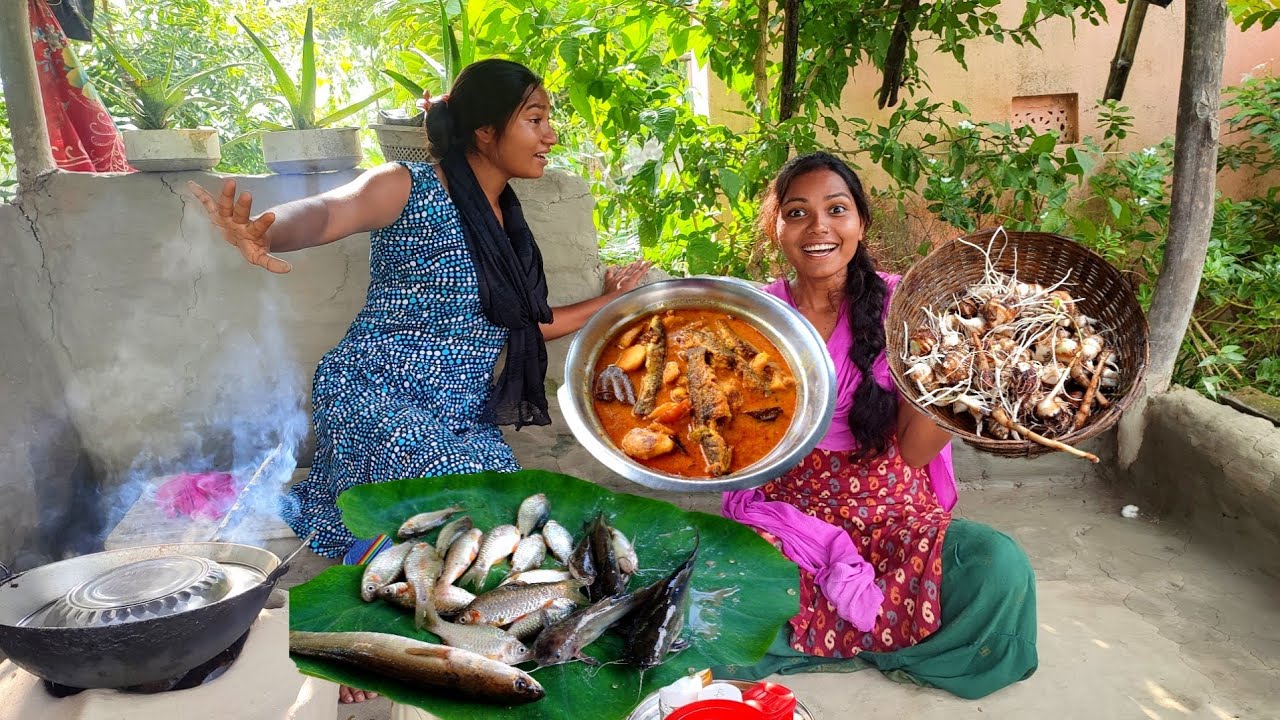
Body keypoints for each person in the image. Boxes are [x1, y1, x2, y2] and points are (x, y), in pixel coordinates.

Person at [190, 58, 648, 695]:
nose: (551, 135)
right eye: (536, 119)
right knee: (427, 484)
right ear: (486, 132)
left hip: (456, 407)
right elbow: (328, 213)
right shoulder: (408, 184)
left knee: (500, 509)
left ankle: (428, 611)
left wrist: (611, 302)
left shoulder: (507, 223)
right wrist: (269, 232)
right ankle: (374, 635)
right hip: (371, 389)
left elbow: (524, 325)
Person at [719, 152, 1037, 699]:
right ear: (777, 230)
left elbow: (915, 454)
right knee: (713, 586)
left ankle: (866, 641)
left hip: (895, 508)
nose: (818, 227)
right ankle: (875, 634)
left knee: (996, 565)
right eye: (797, 213)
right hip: (790, 513)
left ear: (860, 223)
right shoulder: (753, 315)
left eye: (836, 209)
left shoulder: (910, 309)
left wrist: (966, 387)